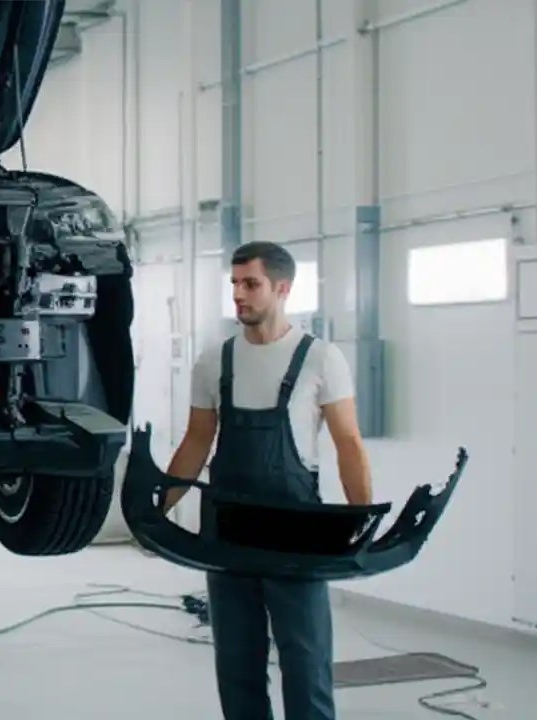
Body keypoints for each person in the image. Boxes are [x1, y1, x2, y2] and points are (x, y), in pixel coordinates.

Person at [160, 241, 373, 720]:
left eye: (250, 284)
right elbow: (196, 442)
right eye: (234, 283)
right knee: (236, 662)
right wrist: (158, 511)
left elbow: (349, 444)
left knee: (305, 659)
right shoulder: (215, 360)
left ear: (282, 288)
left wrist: (362, 521)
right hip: (229, 532)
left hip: (294, 532)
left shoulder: (320, 359)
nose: (239, 294)